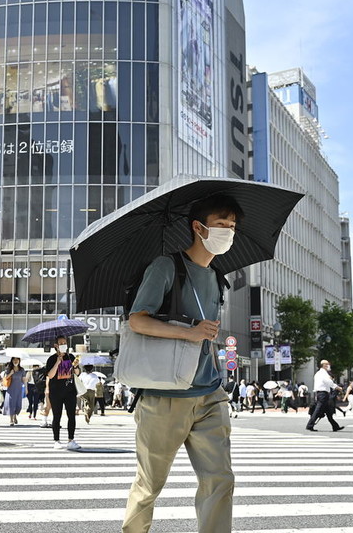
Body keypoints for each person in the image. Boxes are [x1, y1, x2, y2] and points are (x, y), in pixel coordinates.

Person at [122, 195, 241, 533]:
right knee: (149, 486)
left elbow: (202, 334)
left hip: (208, 393)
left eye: (233, 227)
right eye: (222, 226)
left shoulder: (218, 277)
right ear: (198, 227)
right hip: (165, 395)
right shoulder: (165, 266)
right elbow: (138, 321)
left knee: (220, 480)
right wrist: (189, 333)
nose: (229, 233)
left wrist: (203, 336)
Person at [44, 336, 80, 450]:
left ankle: (71, 440)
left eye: (65, 342)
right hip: (56, 392)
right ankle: (56, 440)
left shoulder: (71, 357)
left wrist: (75, 366)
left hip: (70, 391)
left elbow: (77, 373)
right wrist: (58, 362)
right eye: (61, 343)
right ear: (56, 346)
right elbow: (50, 375)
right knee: (57, 416)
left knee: (71, 416)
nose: (63, 344)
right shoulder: (51, 359)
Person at [306, 360, 343, 432]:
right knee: (318, 410)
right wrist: (337, 387)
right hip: (323, 394)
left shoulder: (318, 373)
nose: (328, 366)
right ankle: (310, 425)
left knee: (328, 411)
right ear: (323, 365)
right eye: (327, 364)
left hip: (321, 393)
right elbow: (329, 382)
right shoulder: (323, 373)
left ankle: (335, 426)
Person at [2, 357, 27, 425]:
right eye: (14, 360)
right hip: (11, 389)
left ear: (19, 361)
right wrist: (11, 373)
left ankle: (15, 416)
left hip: (19, 389)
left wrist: (26, 388)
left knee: (17, 404)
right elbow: (5, 378)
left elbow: (24, 379)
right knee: (11, 404)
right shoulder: (9, 368)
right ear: (12, 361)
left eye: (17, 360)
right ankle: (11, 420)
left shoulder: (22, 370)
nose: (15, 361)